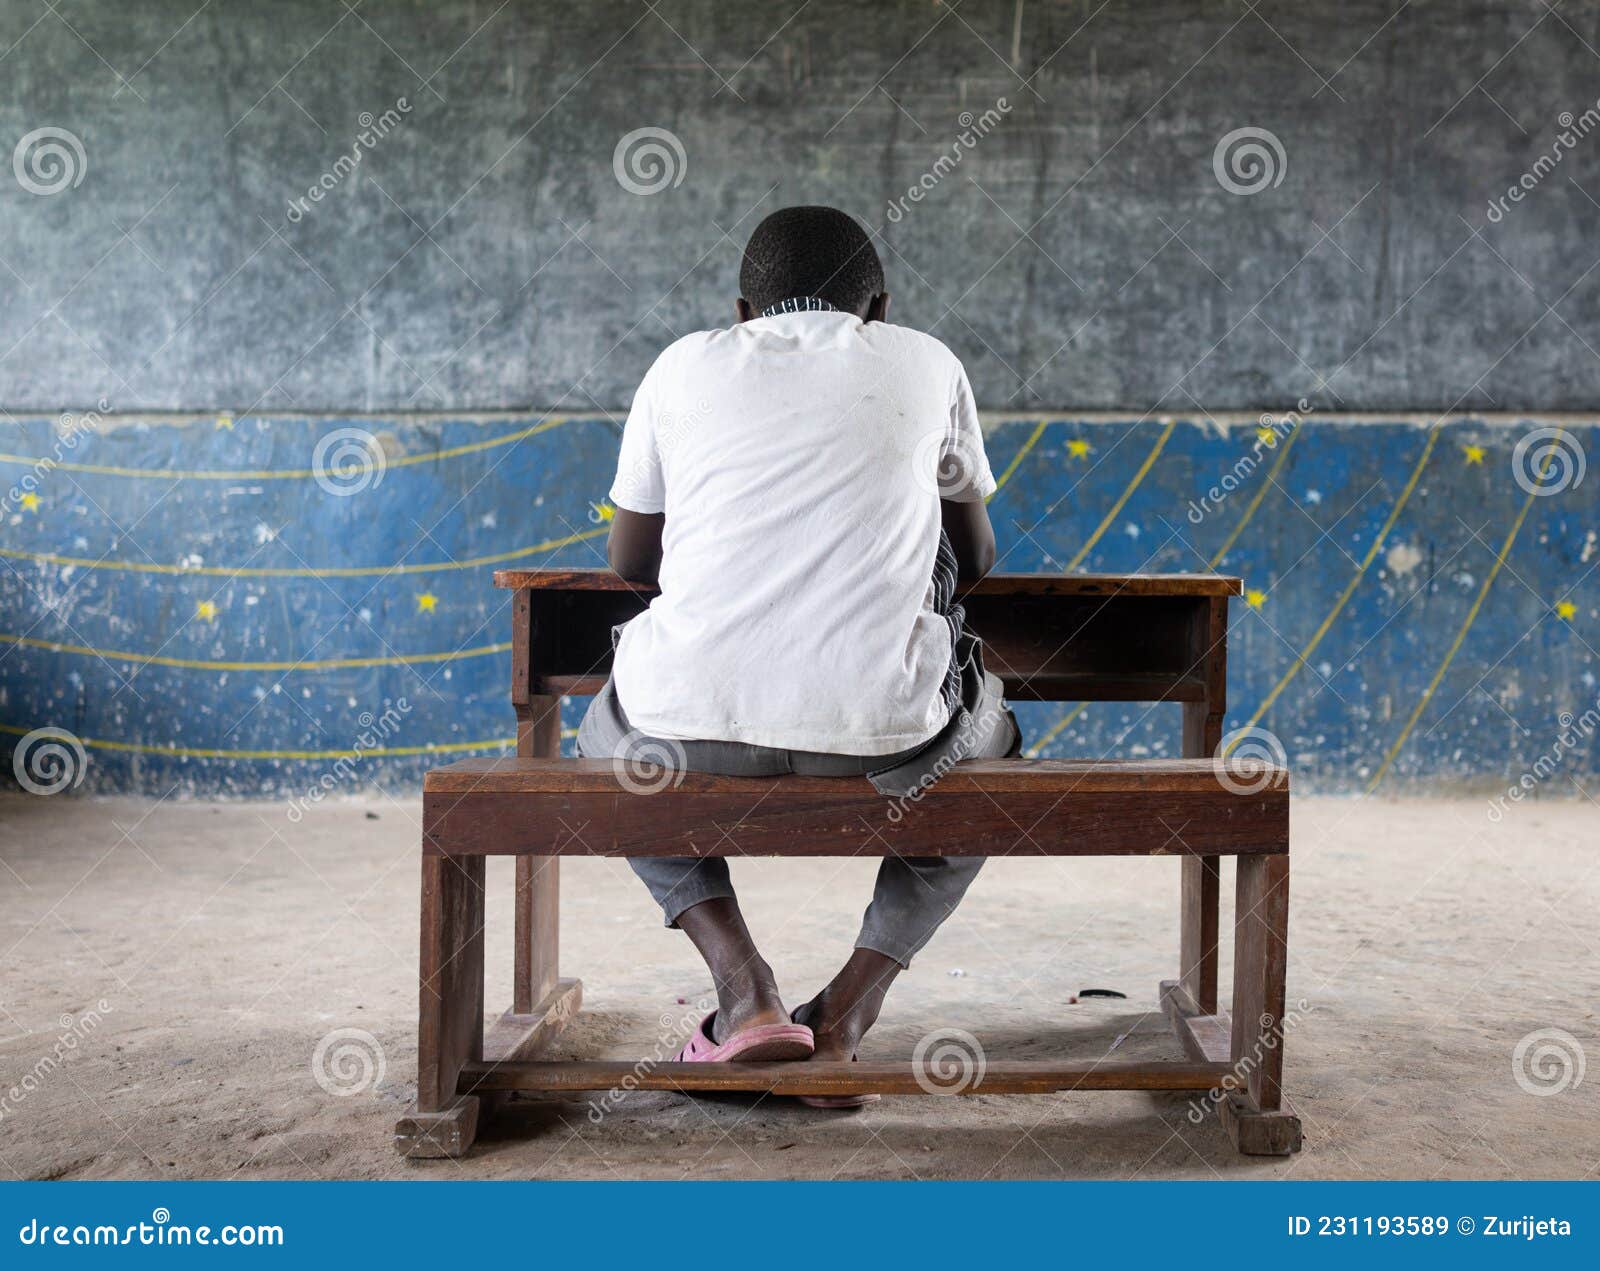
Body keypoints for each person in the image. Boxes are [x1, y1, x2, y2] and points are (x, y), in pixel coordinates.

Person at [577, 205, 1020, 1104]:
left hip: (683, 728)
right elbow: (974, 561)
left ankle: (744, 991)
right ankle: (847, 1014)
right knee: (992, 758)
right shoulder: (926, 361)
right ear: (880, 307)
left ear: (744, 311)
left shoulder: (679, 365)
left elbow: (629, 563)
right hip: (886, 735)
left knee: (598, 747)